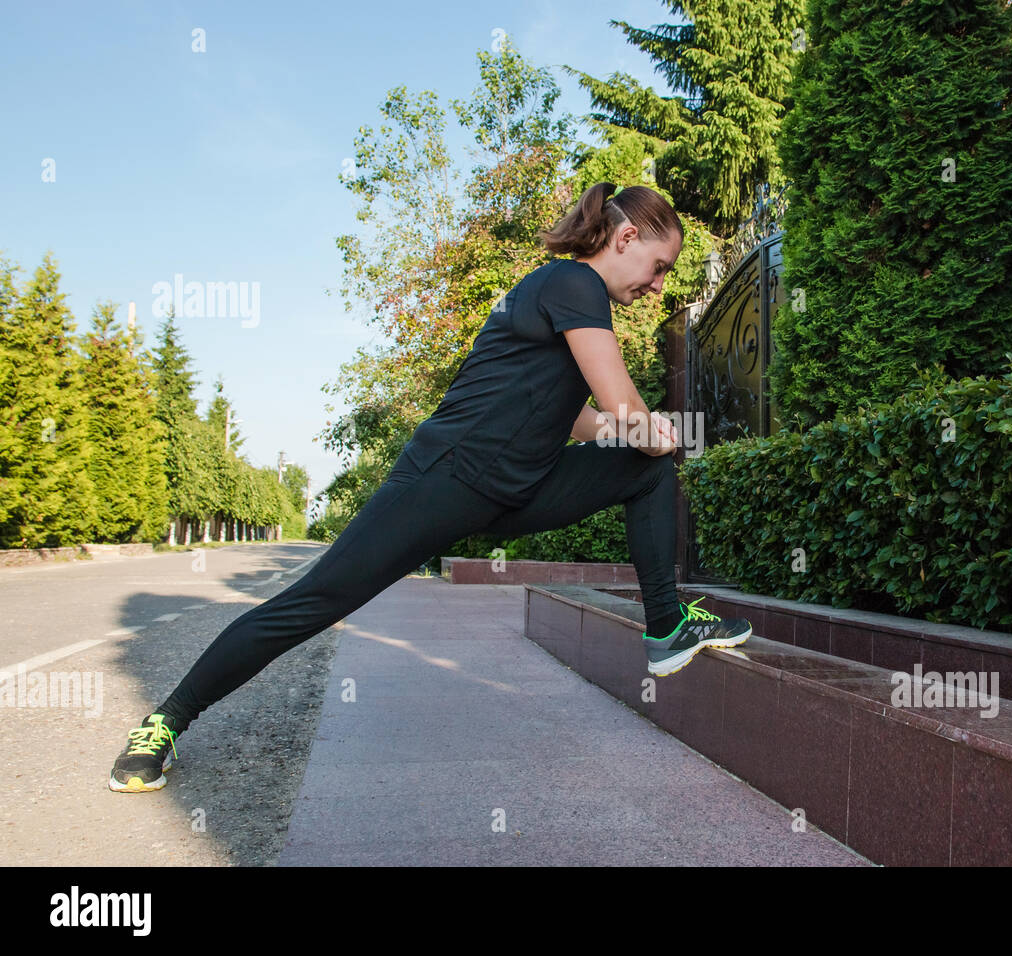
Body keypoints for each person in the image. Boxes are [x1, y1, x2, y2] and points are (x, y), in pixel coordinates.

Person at [109, 182, 751, 793]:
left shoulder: (576, 299)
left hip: (517, 489)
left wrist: (642, 437)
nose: (658, 284)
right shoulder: (572, 281)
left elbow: (582, 418)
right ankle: (167, 718)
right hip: (443, 480)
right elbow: (619, 403)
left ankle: (666, 630)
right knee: (317, 599)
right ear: (626, 237)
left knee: (645, 469)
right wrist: (655, 429)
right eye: (659, 266)